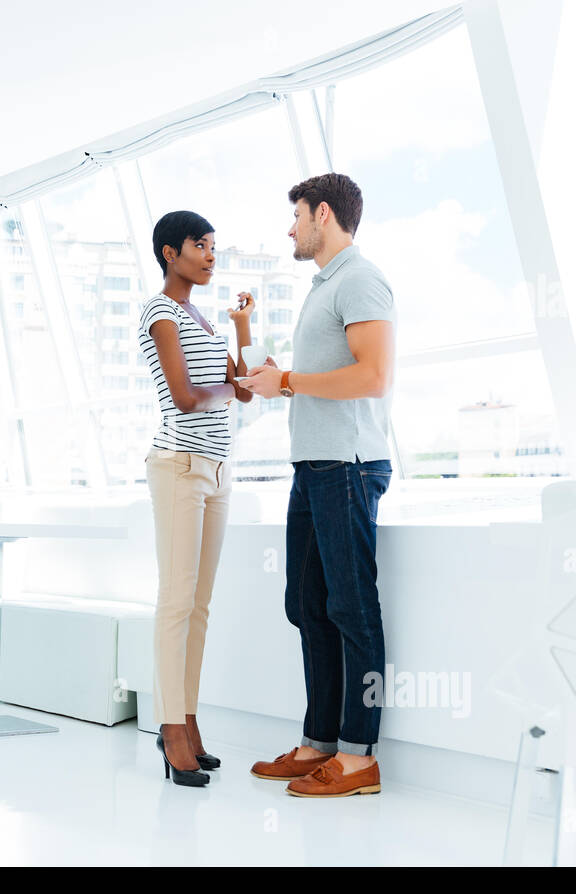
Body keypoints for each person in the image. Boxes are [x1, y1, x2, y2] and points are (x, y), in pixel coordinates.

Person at [240, 173, 396, 797]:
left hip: (349, 466)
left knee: (353, 610)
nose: (290, 228)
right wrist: (279, 378)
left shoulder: (360, 279)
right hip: (314, 465)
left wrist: (290, 382)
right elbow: (322, 376)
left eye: (297, 215)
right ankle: (320, 743)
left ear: (322, 214)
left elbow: (374, 376)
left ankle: (360, 759)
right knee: (308, 606)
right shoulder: (326, 287)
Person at [138, 210, 256, 787]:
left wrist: (241, 328)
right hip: (179, 467)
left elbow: (246, 390)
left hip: (219, 470)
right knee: (176, 600)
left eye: (213, 246)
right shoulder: (160, 312)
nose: (210, 255)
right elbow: (185, 397)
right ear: (169, 252)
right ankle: (170, 729)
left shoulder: (205, 319)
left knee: (201, 604)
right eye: (199, 245)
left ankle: (188, 717)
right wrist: (229, 391)